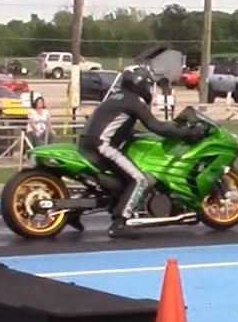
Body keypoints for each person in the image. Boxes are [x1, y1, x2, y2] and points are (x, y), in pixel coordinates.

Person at [78, 65, 205, 239]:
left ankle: (72, 213)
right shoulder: (134, 101)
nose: (148, 88)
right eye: (148, 84)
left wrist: (140, 134)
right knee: (139, 180)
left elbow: (119, 127)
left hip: (87, 141)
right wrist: (187, 133)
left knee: (123, 178)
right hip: (103, 145)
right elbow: (156, 125)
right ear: (141, 83)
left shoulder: (116, 97)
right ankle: (120, 223)